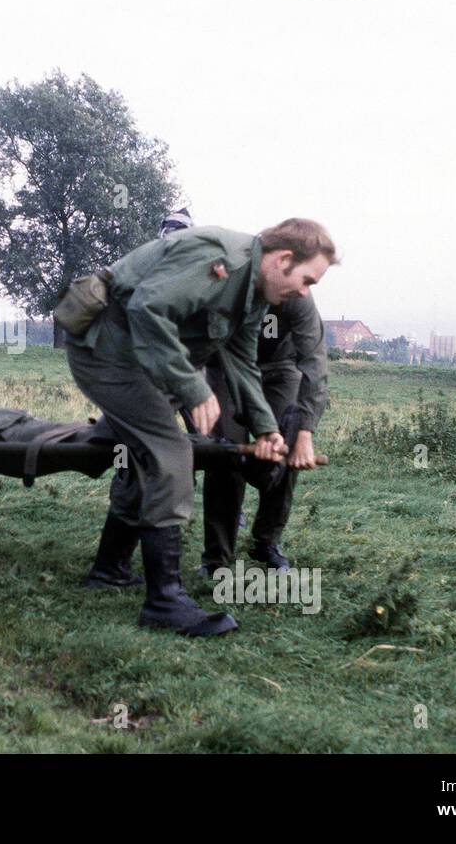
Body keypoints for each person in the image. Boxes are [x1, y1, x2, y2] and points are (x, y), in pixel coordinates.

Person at [65, 218, 337, 637]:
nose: (304, 292)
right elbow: (146, 309)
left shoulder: (253, 290)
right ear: (283, 259)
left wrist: (266, 429)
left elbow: (242, 361)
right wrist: (192, 387)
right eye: (307, 280)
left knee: (142, 455)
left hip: (142, 361)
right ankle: (164, 602)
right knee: (171, 454)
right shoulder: (218, 257)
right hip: (109, 355)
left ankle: (110, 569)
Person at [201, 293, 328, 573]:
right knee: (225, 452)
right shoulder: (233, 278)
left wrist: (305, 431)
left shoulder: (298, 292)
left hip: (281, 368)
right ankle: (216, 557)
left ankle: (266, 540)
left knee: (288, 443)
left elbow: (315, 362)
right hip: (228, 366)